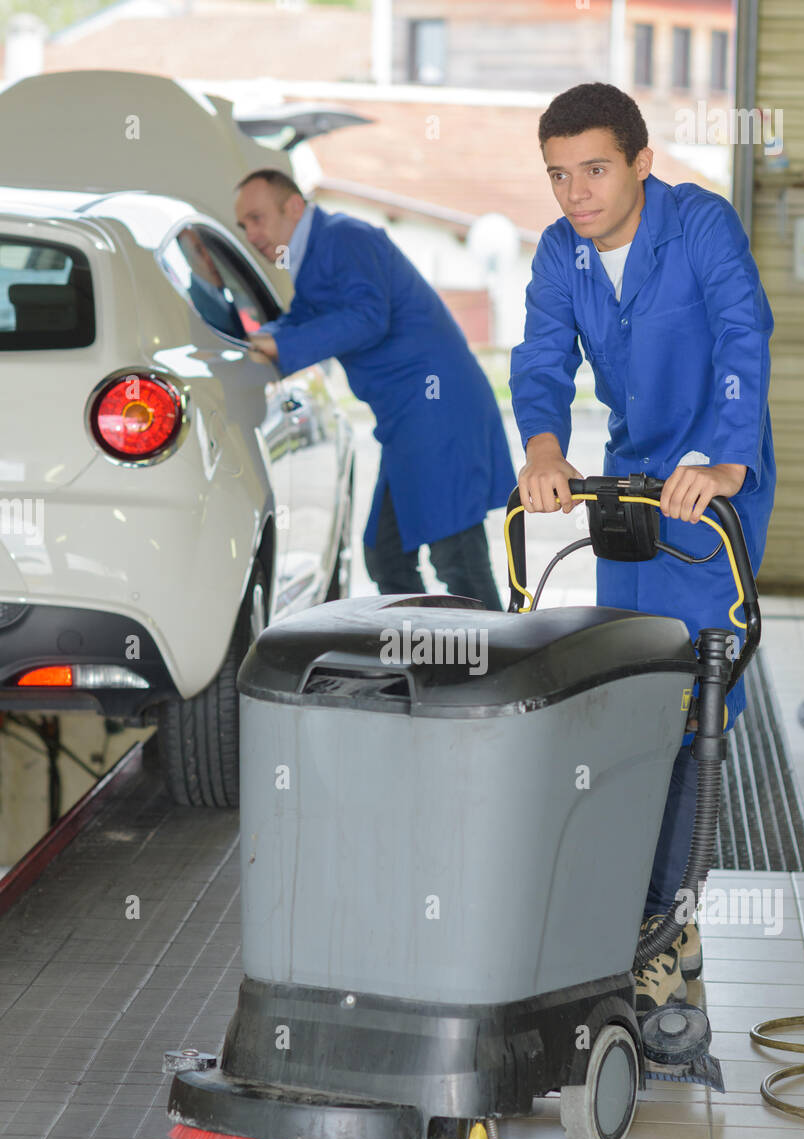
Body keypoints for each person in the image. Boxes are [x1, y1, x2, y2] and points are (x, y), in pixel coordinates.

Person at [509, 83, 775, 1011]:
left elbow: (744, 336)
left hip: (713, 481)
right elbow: (541, 357)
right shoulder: (559, 252)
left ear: (639, 162)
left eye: (592, 169)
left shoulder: (699, 226)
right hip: (629, 485)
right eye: (556, 175)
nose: (574, 193)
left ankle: (663, 919)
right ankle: (645, 914)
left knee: (693, 699)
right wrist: (544, 448)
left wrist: (723, 461)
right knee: (633, 695)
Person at [234, 170, 515, 609]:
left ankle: (499, 668)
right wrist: (250, 342)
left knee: (456, 559)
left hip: (435, 409)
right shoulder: (313, 255)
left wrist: (279, 344)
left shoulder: (344, 238)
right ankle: (429, 658)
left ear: (293, 207)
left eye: (257, 218)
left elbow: (367, 318)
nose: (251, 235)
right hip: (408, 420)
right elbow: (304, 320)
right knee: (386, 556)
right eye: (243, 225)